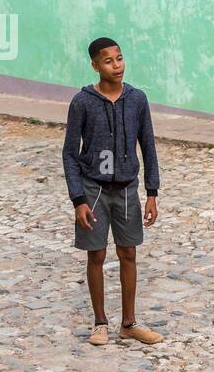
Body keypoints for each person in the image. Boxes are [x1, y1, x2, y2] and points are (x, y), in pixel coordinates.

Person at [63, 37, 163, 346]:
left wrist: (151, 192)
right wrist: (78, 199)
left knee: (128, 252)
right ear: (95, 65)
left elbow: (147, 144)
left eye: (119, 59)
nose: (116, 65)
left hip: (127, 190)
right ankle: (100, 322)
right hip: (93, 189)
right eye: (108, 61)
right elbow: (69, 153)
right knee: (97, 254)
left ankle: (129, 323)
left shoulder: (137, 99)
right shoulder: (82, 102)